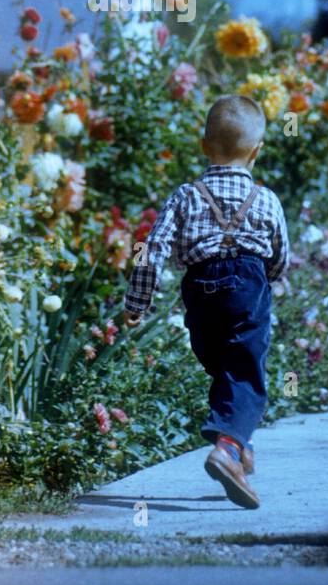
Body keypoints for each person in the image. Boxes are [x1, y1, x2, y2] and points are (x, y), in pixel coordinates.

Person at [123, 94, 290, 509]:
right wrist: (269, 283)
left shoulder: (184, 195)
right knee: (248, 374)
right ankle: (229, 449)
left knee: (224, 368)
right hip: (248, 286)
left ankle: (241, 444)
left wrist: (138, 300)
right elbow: (280, 255)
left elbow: (151, 248)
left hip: (200, 290)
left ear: (203, 146)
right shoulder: (266, 199)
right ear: (257, 151)